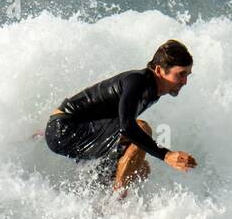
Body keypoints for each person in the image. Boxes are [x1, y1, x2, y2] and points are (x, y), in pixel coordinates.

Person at [45, 39, 198, 196]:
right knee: (142, 129)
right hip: (66, 129)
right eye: (181, 74)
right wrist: (166, 155)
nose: (185, 82)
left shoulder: (154, 91)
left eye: (187, 75)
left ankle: (99, 206)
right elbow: (126, 126)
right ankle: (117, 204)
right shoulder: (138, 82)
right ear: (159, 70)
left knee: (141, 169)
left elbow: (106, 116)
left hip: (76, 130)